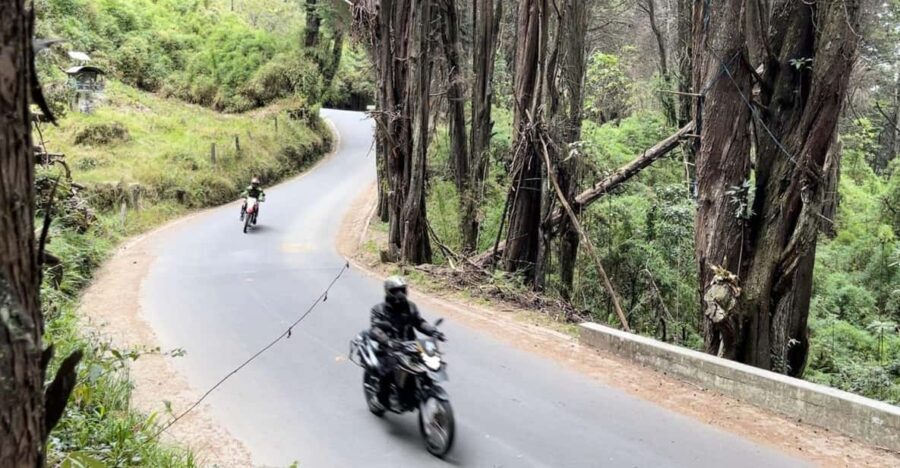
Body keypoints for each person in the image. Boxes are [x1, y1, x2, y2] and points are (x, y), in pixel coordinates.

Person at [368, 276, 445, 410]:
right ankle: (380, 400)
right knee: (389, 370)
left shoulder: (410, 307)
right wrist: (388, 341)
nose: (400, 294)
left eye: (402, 290)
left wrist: (433, 331)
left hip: (410, 346)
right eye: (396, 291)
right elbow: (375, 329)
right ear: (388, 291)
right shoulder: (379, 310)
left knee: (430, 363)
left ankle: (420, 390)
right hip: (388, 348)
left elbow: (419, 322)